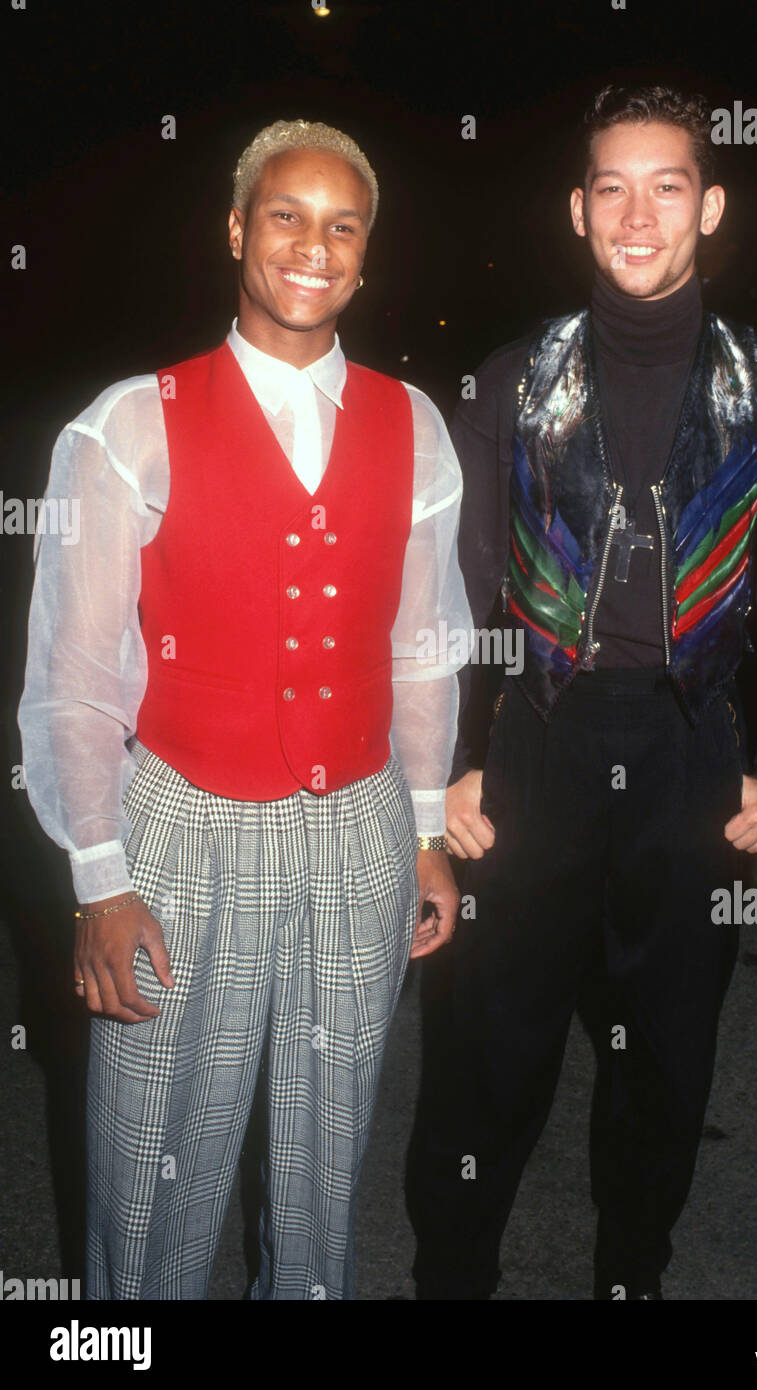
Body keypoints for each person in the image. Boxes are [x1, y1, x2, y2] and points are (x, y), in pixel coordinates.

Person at [18, 118, 470, 1300]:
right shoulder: (127, 423)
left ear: (366, 255)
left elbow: (423, 652)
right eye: (286, 215)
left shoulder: (414, 426)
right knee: (154, 1165)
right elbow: (74, 672)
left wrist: (425, 832)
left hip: (362, 828)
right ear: (235, 230)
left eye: (341, 225)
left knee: (326, 1173)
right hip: (183, 829)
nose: (312, 246)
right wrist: (98, 878)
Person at [405, 85, 757, 1300]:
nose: (636, 213)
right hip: (538, 745)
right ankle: (453, 1279)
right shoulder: (510, 381)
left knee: (661, 1066)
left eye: (664, 186)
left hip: (689, 751)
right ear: (577, 211)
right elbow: (454, 602)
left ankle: (630, 1279)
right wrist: (448, 765)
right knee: (488, 1057)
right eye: (610, 186)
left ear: (708, 205)